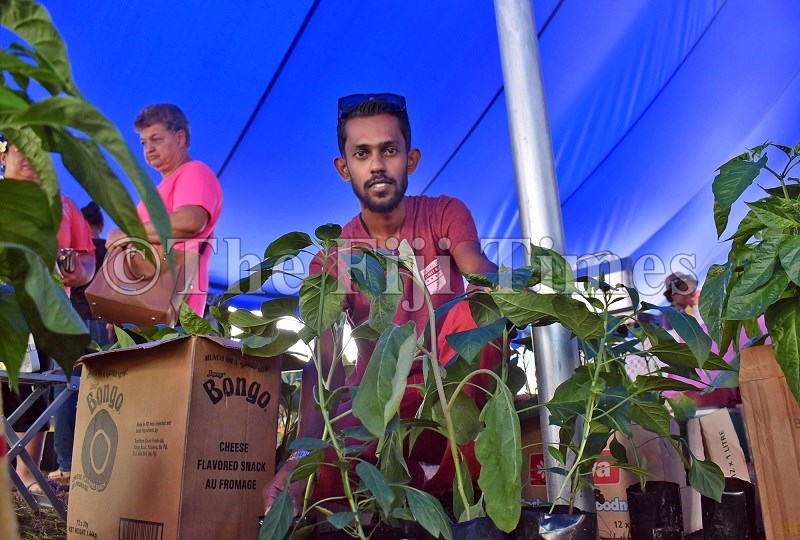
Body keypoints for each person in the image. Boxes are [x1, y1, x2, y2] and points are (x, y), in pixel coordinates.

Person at [263, 93, 499, 514]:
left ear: (411, 160)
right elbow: (326, 359)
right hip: (381, 407)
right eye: (362, 153)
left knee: (475, 310)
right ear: (344, 168)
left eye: (389, 150)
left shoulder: (444, 212)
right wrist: (300, 459)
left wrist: (509, 288)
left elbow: (477, 269)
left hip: (450, 388)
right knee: (324, 480)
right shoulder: (333, 258)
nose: (376, 165)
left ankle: (456, 491)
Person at [0, 134, 95, 494]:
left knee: (32, 392)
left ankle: (26, 481)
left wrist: (78, 270)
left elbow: (86, 259)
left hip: (46, 314)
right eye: (19, 148)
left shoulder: (66, 206)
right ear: (3, 157)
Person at [106, 103, 223, 316]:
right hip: (140, 303)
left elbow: (190, 222)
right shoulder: (154, 192)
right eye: (143, 142)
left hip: (172, 307)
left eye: (156, 139)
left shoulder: (195, 171)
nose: (148, 148)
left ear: (180, 138)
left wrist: (127, 235)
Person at [48, 202, 112, 485]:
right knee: (104, 392)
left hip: (65, 322)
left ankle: (65, 465)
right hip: (98, 322)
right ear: (99, 226)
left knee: (64, 391)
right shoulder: (107, 248)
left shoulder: (67, 249)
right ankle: (98, 465)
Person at [662, 272, 741, 407]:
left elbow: (708, 325)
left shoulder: (700, 300)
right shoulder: (674, 313)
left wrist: (697, 305)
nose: (674, 298)